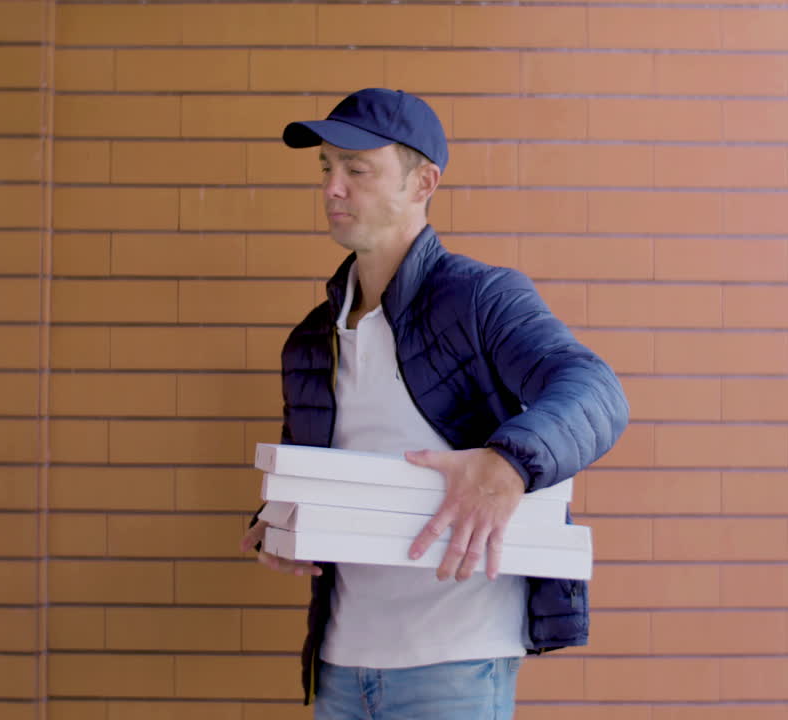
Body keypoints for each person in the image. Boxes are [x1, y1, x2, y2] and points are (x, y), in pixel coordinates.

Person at [239, 87, 629, 719]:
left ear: (424, 182)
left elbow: (596, 391)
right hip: (338, 664)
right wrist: (280, 523)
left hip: (456, 664)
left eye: (357, 170)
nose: (333, 188)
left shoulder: (481, 299)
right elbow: (327, 470)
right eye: (326, 168)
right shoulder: (311, 341)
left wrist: (507, 465)